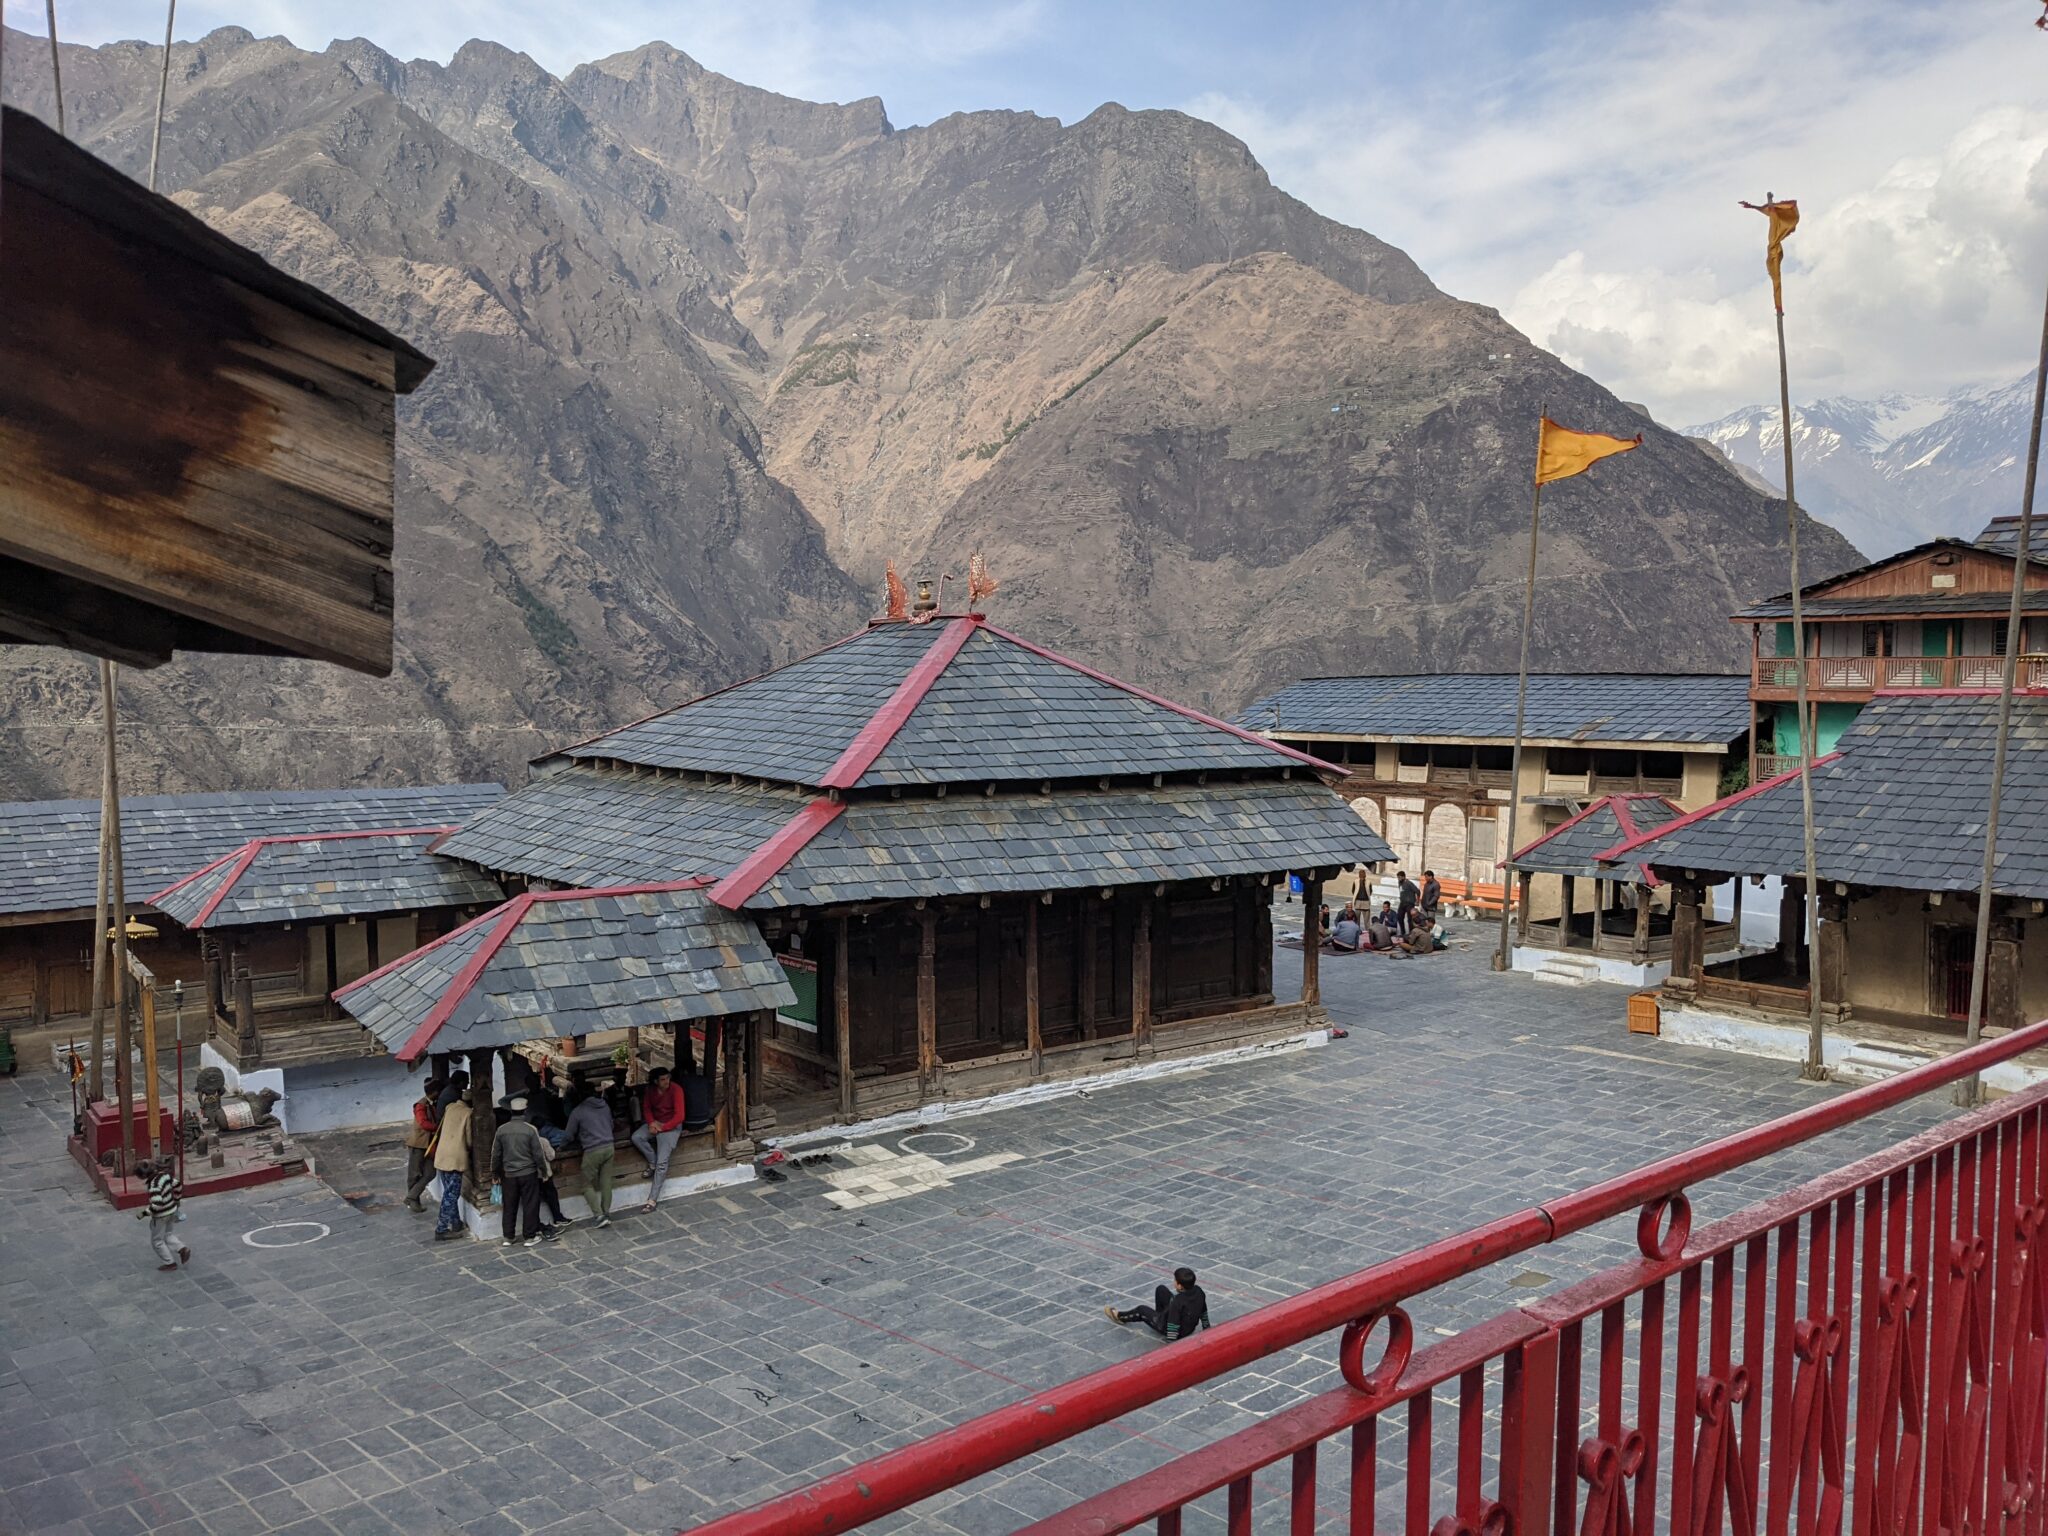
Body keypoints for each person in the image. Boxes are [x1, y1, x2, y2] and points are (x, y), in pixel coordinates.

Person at [492, 1095, 559, 1246]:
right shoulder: (531, 1130)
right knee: (530, 1203)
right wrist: (544, 1172)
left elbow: (495, 1154)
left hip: (509, 1174)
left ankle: (508, 1237)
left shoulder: (501, 1130)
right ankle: (529, 1236)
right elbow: (537, 1154)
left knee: (509, 1205)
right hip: (528, 1173)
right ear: (525, 1111)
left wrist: (495, 1173)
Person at [1105, 1266, 1211, 1340]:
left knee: (1141, 1310)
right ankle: (1159, 1316)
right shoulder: (1198, 1291)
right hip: (1189, 1327)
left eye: (1175, 1280)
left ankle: (1119, 1316)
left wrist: (1171, 1342)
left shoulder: (1177, 1301)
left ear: (1179, 1286)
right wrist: (1207, 1327)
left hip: (1177, 1332)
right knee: (1161, 1290)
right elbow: (1203, 1310)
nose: (1173, 1282)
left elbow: (1173, 1322)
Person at [632, 1066, 685, 1212]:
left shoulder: (676, 1089)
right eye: (663, 1079)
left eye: (668, 1078)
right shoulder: (650, 1090)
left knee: (663, 1163)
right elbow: (647, 1108)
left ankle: (652, 1200)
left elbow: (680, 1116)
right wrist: (651, 1123)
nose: (666, 1081)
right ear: (655, 1081)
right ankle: (652, 1162)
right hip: (656, 1123)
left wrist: (664, 1127)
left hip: (671, 1126)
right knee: (637, 1137)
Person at [564, 1084, 617, 1228]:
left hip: (593, 1150)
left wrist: (561, 1146)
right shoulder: (604, 1106)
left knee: (585, 1184)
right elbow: (611, 1125)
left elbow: (568, 1135)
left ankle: (599, 1215)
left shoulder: (578, 1112)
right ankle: (606, 1212)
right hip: (609, 1147)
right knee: (606, 1181)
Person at [432, 1084, 473, 1240]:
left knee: (449, 1191)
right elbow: (469, 1139)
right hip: (455, 1157)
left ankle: (455, 1222)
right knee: (451, 1195)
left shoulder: (450, 1107)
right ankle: (441, 1229)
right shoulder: (468, 1113)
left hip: (442, 1153)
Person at [135, 1158, 190, 1272]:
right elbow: (178, 1185)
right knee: (168, 1234)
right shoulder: (165, 1176)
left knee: (157, 1241)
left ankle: (170, 1263)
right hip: (171, 1210)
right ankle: (182, 1249)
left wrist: (144, 1213)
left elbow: (157, 1204)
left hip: (160, 1216)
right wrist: (176, 1199)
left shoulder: (153, 1185)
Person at [402, 1077, 444, 1212]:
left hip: (428, 1144)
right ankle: (414, 1201)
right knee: (414, 1174)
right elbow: (423, 1123)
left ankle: (411, 1196)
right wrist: (437, 1127)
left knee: (430, 1172)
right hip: (418, 1144)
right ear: (434, 1092)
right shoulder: (421, 1105)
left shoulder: (431, 1103)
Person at [1396, 871, 1420, 935]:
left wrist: (1417, 901)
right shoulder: (1399, 883)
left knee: (1410, 919)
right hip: (1403, 902)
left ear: (1404, 877)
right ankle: (1403, 931)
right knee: (1399, 917)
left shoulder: (1409, 883)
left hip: (1410, 903)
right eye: (1398, 877)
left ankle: (1411, 933)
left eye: (1400, 877)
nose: (1399, 879)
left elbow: (1417, 891)